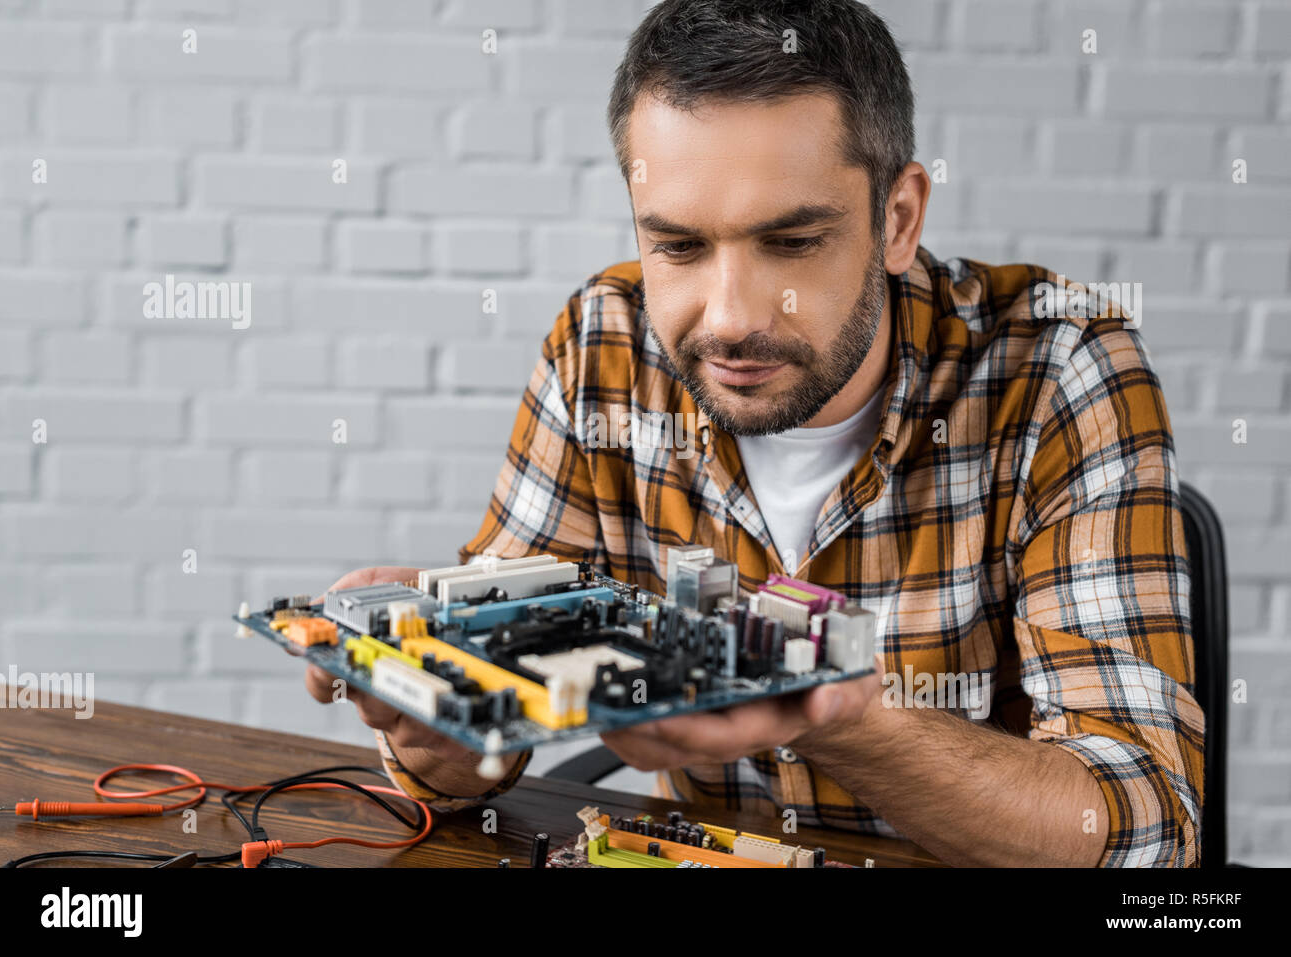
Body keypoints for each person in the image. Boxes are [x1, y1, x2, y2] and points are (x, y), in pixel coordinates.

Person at [307, 0, 1202, 867]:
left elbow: (1146, 832)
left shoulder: (1060, 365)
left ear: (898, 219)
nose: (730, 320)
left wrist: (835, 715)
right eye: (680, 248)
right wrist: (440, 715)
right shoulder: (601, 346)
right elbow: (475, 757)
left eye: (791, 243)